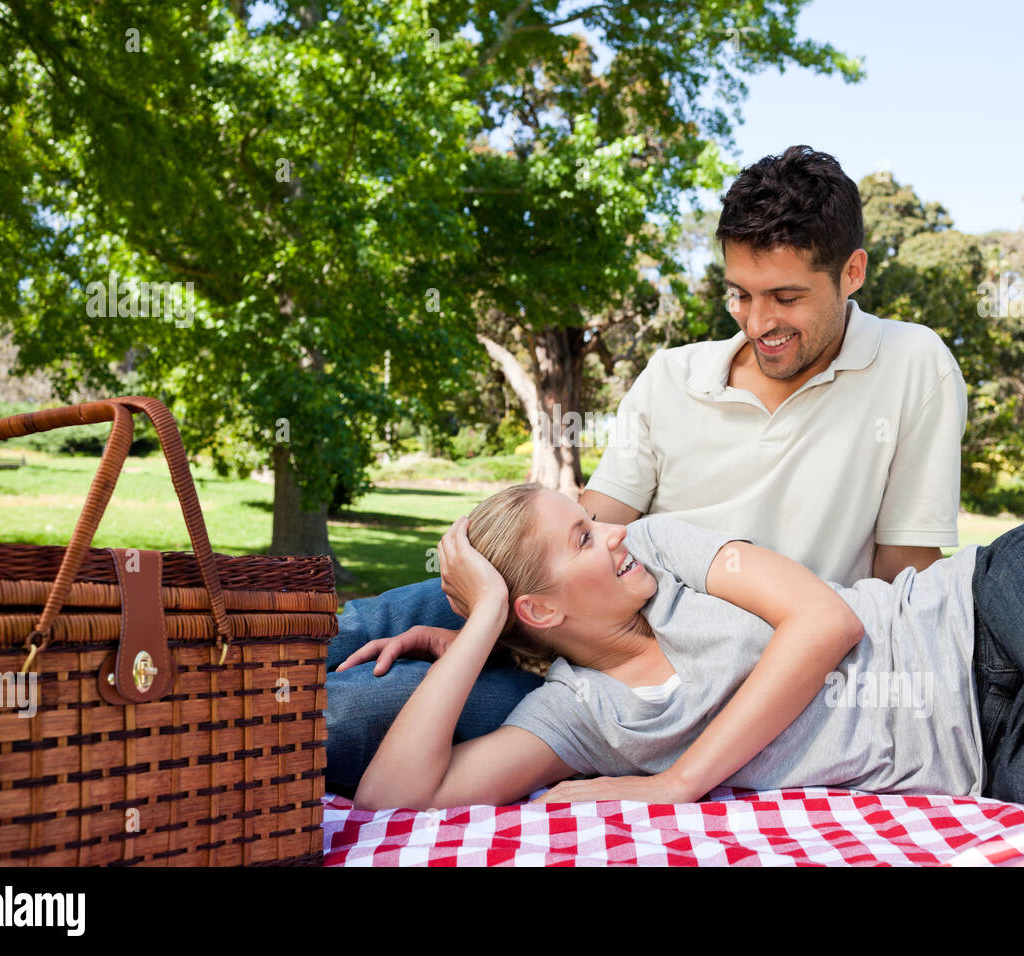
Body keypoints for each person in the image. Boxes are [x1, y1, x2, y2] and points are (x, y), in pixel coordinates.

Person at [326, 145, 968, 796]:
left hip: (724, 658)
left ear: (852, 272)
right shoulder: (673, 378)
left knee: (346, 712)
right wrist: (491, 631)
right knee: (365, 624)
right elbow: (590, 530)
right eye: (740, 295)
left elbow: (902, 581)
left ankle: (235, 726)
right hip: (586, 613)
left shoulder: (913, 364)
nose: (759, 323)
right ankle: (231, 644)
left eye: (786, 297)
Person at [355, 484, 1024, 858]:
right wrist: (476, 627)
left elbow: (827, 619)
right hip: (994, 757)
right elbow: (392, 803)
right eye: (584, 537)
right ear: (537, 611)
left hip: (1000, 610)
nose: (614, 530)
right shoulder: (582, 716)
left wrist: (683, 783)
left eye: (593, 516)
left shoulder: (664, 548)